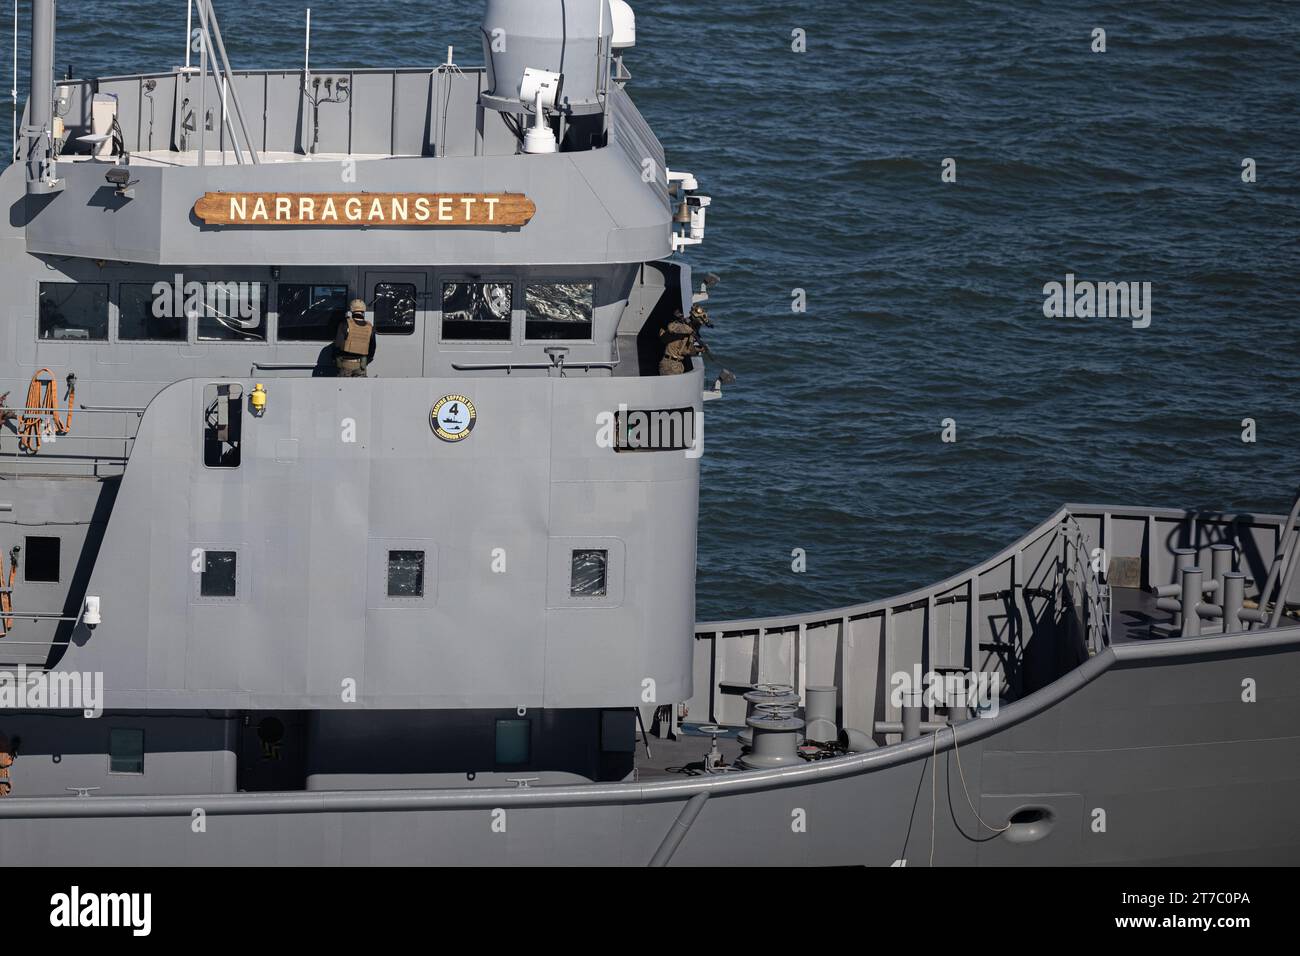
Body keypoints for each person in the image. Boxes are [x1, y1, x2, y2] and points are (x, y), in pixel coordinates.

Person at [334, 299, 376, 377]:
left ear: (351, 310)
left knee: (344, 388)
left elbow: (337, 345)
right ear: (364, 310)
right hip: (361, 366)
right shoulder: (370, 327)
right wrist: (366, 361)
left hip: (345, 364)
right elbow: (372, 348)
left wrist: (336, 360)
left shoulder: (344, 324)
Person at [658, 309, 706, 376]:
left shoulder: (686, 334)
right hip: (670, 364)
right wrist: (689, 330)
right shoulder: (683, 328)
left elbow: (685, 351)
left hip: (677, 365)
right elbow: (671, 327)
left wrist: (699, 350)